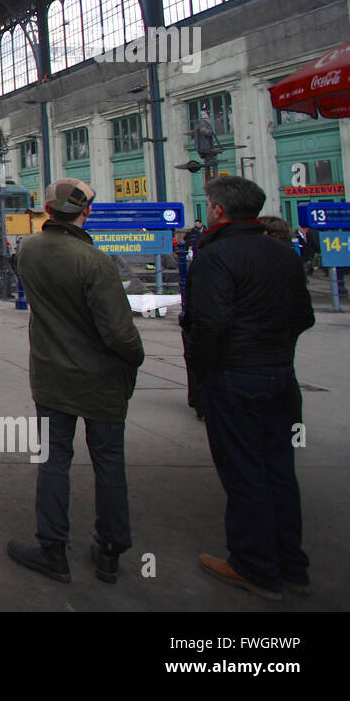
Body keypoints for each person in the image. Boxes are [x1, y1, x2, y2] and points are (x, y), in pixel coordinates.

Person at [183, 175, 314, 600]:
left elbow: (210, 325)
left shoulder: (214, 258)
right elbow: (304, 316)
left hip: (234, 378)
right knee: (279, 471)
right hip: (280, 377)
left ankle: (254, 566)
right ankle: (291, 565)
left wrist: (204, 373)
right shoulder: (284, 254)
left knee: (244, 473)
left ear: (218, 211)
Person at [8, 178, 145, 585]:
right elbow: (120, 335)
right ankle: (109, 551)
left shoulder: (27, 251)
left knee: (54, 462)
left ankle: (52, 549)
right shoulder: (96, 262)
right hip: (101, 382)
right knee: (109, 462)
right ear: (87, 213)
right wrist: (135, 358)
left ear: (48, 212)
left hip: (52, 377)